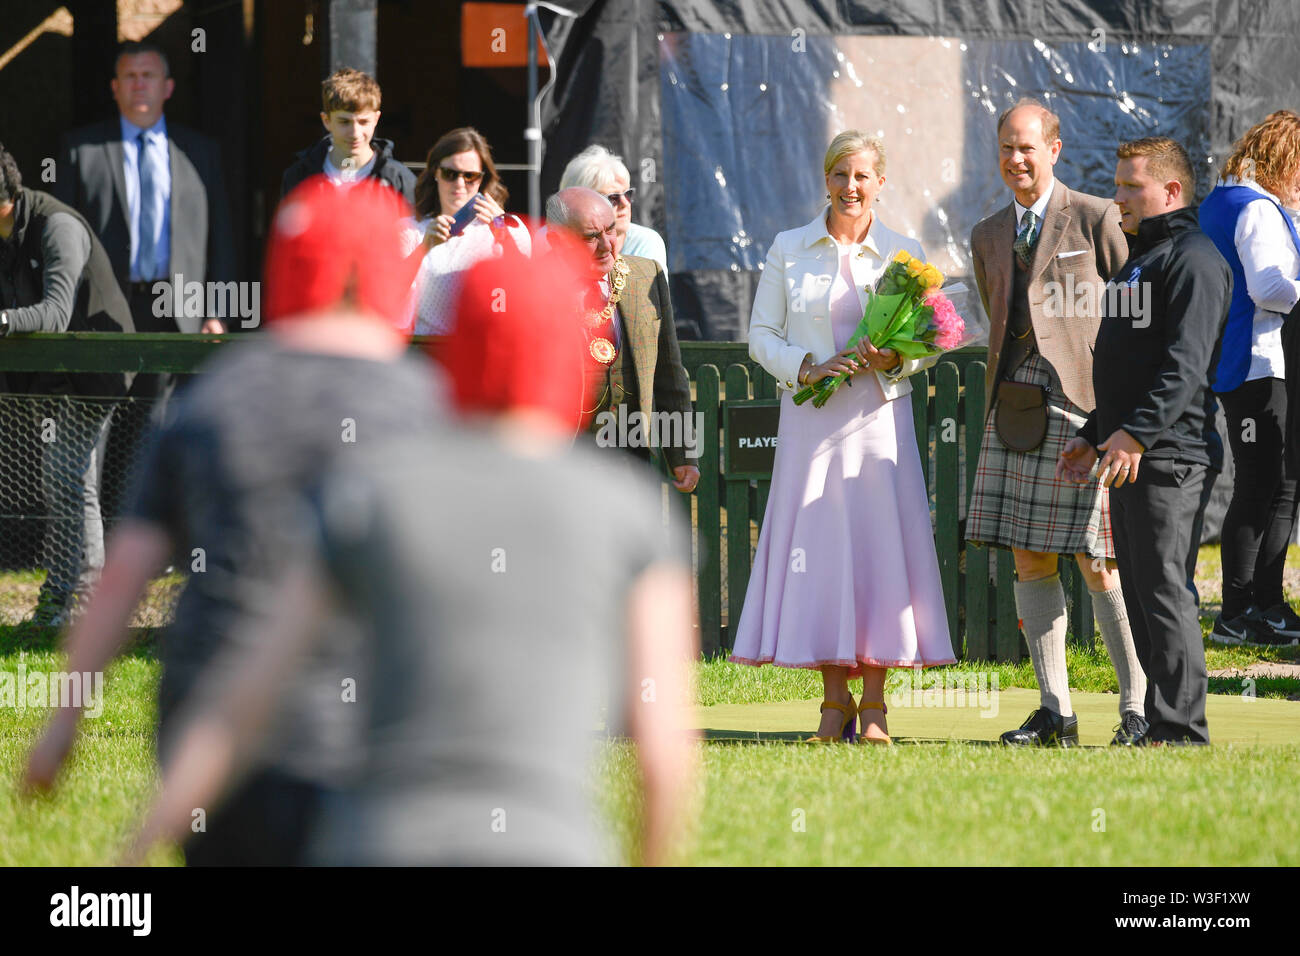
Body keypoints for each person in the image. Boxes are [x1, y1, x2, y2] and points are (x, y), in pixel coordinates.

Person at [123, 247, 699, 867]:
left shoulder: (369, 493)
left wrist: (135, 849)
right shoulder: (627, 510)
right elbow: (663, 758)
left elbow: (246, 696)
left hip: (379, 842)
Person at [22, 178, 443, 864]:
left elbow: (123, 573)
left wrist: (62, 724)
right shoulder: (431, 412)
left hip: (207, 723)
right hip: (373, 732)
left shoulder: (217, 397)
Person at [727, 130, 955, 745]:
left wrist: (897, 362)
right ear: (824, 179)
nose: (850, 187)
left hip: (880, 424)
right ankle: (834, 705)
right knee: (821, 553)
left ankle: (875, 706)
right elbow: (761, 334)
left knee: (878, 549)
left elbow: (930, 346)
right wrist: (806, 367)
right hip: (811, 423)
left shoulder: (906, 254)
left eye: (862, 176)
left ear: (881, 183)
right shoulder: (788, 248)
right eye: (839, 175)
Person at [964, 98, 1145, 748]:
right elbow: (996, 313)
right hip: (1013, 408)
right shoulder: (986, 232)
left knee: (1101, 560)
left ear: (1055, 150)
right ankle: (1055, 713)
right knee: (1029, 556)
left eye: (1028, 147)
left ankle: (1137, 710)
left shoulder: (1096, 218)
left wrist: (1128, 412)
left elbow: (1136, 311)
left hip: (1086, 411)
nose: (1017, 159)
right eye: (1007, 147)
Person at [1058, 137, 1232, 746]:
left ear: (1171, 191)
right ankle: (1159, 724)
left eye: (1132, 187)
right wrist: (1095, 433)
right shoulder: (1139, 261)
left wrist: (1134, 434)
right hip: (1129, 454)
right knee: (1141, 589)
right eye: (1118, 184)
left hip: (1171, 457)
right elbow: (1132, 369)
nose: (1119, 198)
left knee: (1163, 589)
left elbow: (1184, 367)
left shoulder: (1196, 259)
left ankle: (1182, 732)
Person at [56, 40, 236, 527]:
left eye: (149, 75)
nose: (140, 84)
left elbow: (218, 235)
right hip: (103, 310)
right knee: (99, 425)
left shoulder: (200, 152)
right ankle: (95, 537)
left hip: (177, 306)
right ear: (114, 88)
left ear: (168, 87)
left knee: (162, 425)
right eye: (130, 76)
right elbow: (61, 238)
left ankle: (159, 535)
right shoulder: (81, 150)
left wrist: (215, 308)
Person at [0, 143, 135, 628]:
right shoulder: (5, 234)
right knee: (60, 483)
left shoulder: (58, 227)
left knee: (71, 480)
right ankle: (61, 599)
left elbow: (56, 315)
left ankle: (81, 602)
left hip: (92, 368)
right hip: (47, 375)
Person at [1197, 110, 1300, 647]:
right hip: (1258, 362)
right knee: (1266, 489)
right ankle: (1241, 611)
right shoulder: (1256, 208)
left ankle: (1260, 607)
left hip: (1243, 361)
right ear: (1285, 161)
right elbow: (1268, 287)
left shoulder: (1224, 199)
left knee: (1272, 488)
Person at [545, 187, 699, 492]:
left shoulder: (646, 276)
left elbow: (669, 371)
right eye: (590, 237)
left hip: (633, 459)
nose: (607, 246)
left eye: (611, 230)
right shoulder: (531, 287)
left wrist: (682, 453)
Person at [402, 127, 530, 335]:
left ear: (482, 178)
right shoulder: (410, 229)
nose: (459, 184)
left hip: (485, 351)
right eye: (450, 174)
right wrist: (424, 248)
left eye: (470, 176)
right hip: (428, 351)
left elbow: (527, 294)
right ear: (435, 172)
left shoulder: (510, 227)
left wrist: (502, 232)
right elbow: (387, 296)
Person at [280, 68, 415, 203]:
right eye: (344, 122)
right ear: (326, 121)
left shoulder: (399, 180)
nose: (355, 133)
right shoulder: (299, 177)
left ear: (376, 119)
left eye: (363, 122)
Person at [559, 145, 668, 277]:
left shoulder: (646, 243)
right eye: (612, 198)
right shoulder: (551, 240)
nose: (625, 203)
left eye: (628, 194)